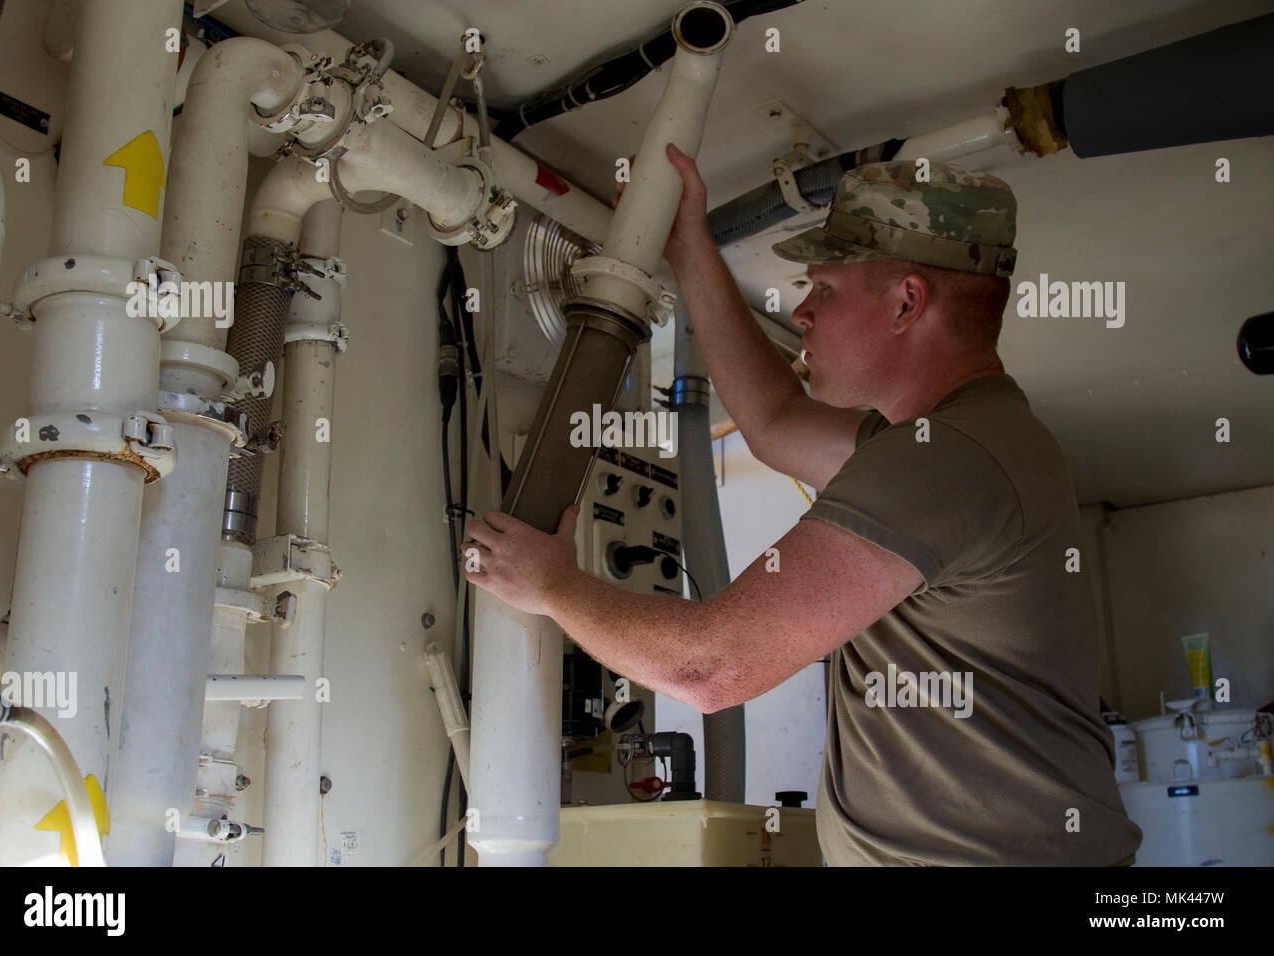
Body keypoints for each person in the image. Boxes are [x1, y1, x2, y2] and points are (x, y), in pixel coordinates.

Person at [462, 145, 1142, 866]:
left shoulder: (943, 458)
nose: (804, 311)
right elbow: (778, 423)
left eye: (824, 289)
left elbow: (712, 668)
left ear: (907, 302)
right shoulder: (959, 439)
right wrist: (691, 246)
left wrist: (552, 585)